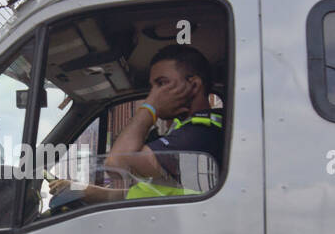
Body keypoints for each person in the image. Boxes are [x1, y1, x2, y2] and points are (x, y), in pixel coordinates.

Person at [52, 45, 225, 204]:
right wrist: (83, 191)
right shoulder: (183, 131)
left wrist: (151, 106)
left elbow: (116, 164)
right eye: (152, 87)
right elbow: (152, 193)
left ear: (193, 85)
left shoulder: (201, 134)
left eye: (161, 83)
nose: (154, 93)